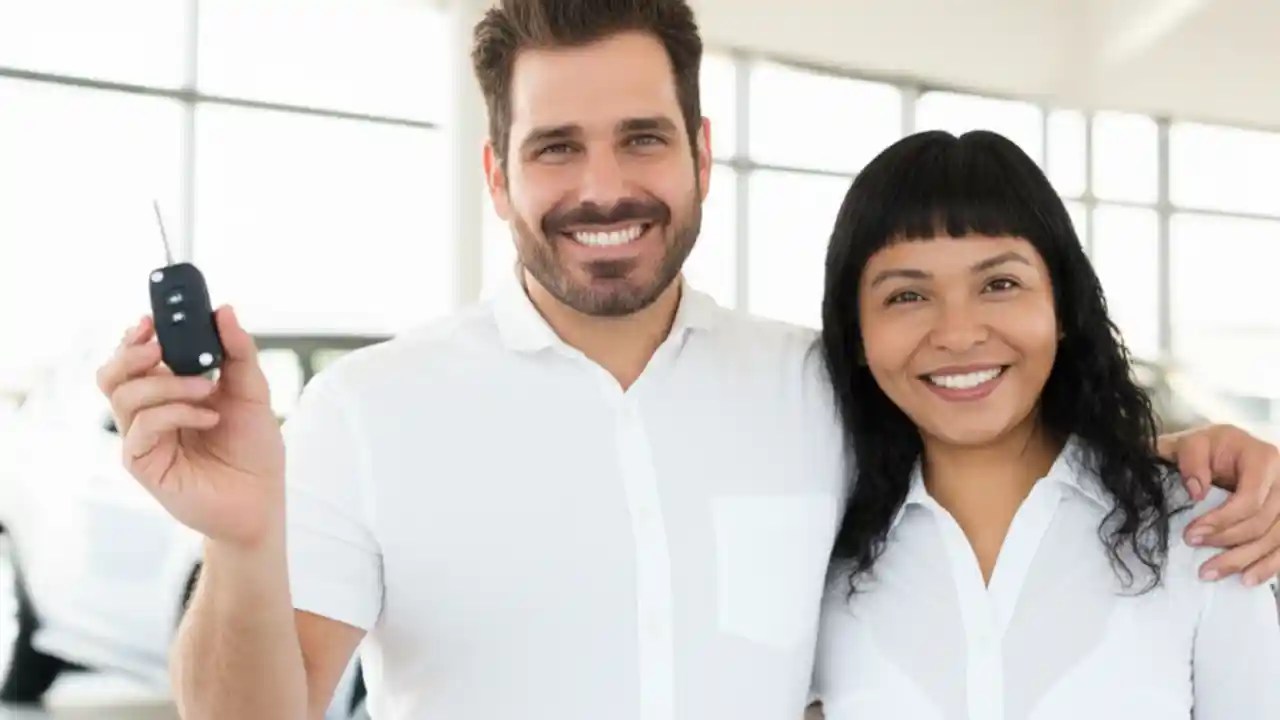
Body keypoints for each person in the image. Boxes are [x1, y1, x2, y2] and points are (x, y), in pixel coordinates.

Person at [92, 1, 1280, 718]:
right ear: (498, 172)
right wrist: (241, 540)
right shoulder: (365, 412)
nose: (603, 187)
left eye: (641, 139)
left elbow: (990, 413)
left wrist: (1187, 459)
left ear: (701, 153)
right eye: (556, 147)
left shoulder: (817, 387)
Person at [811, 130, 1280, 719]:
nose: (958, 333)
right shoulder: (814, 558)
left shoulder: (1200, 535)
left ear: (1063, 309)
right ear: (855, 336)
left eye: (999, 284)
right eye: (907, 296)